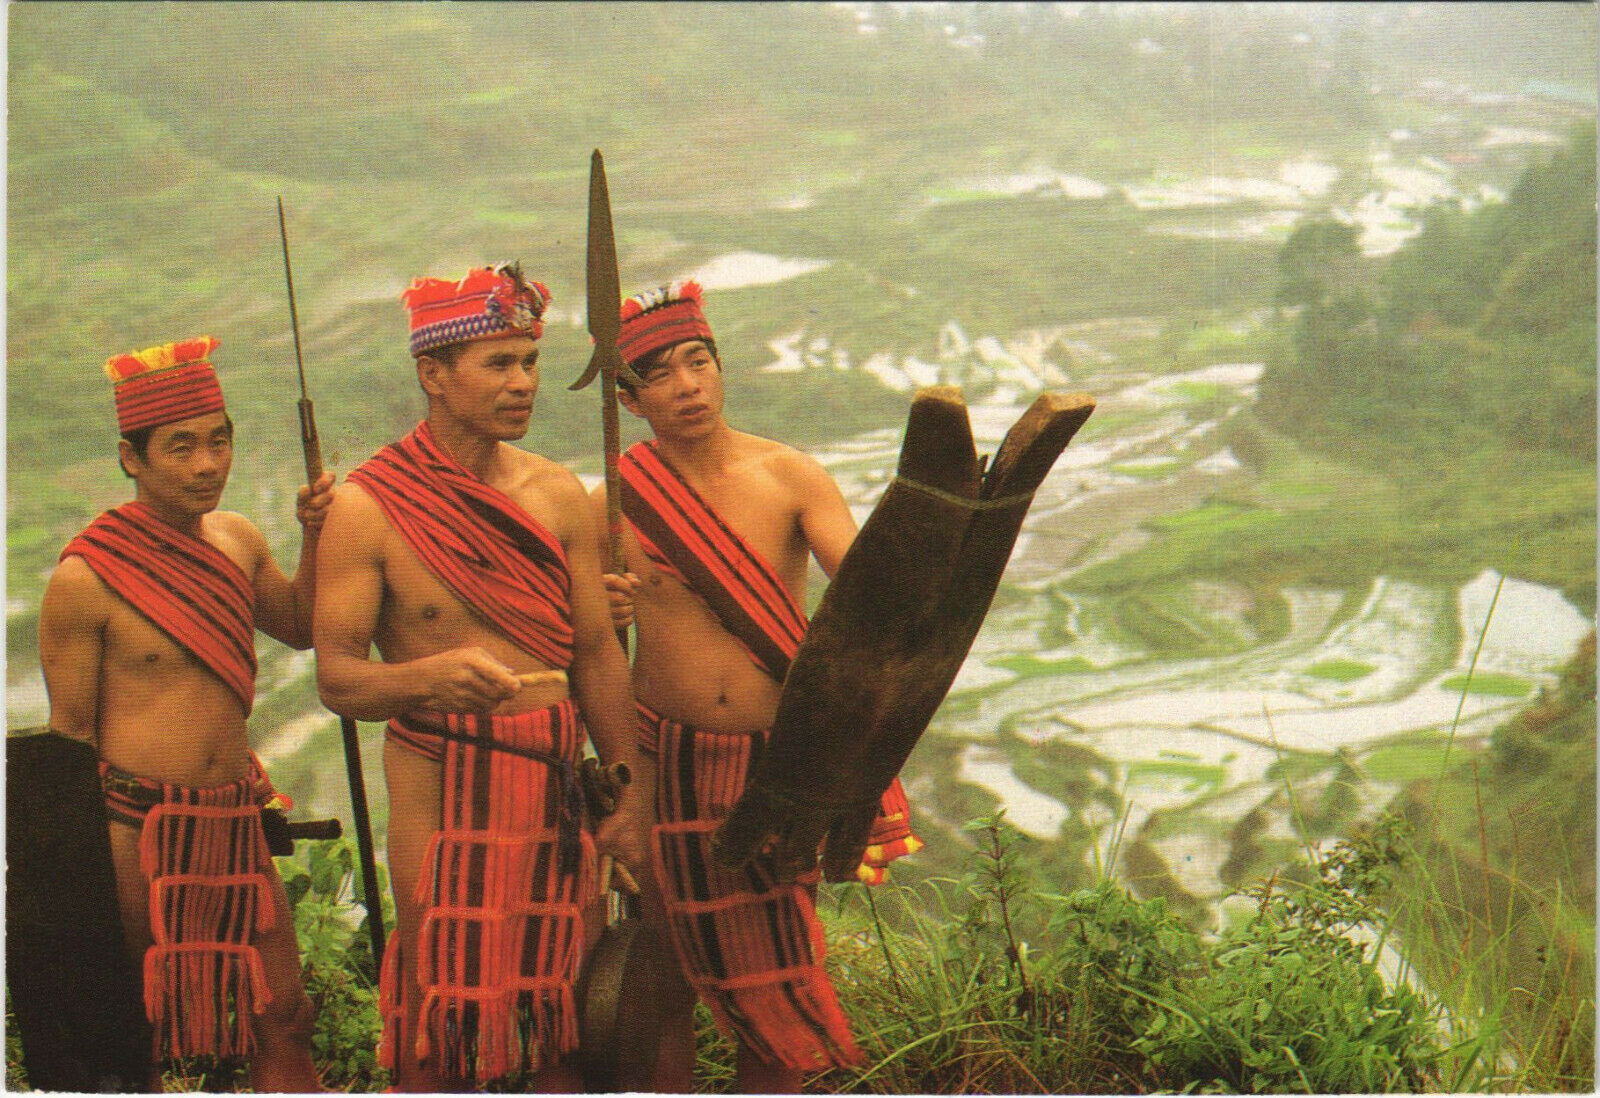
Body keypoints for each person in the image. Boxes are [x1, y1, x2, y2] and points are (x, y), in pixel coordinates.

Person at [312, 263, 650, 1092]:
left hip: (552, 774)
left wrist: (631, 792)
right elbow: (338, 680)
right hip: (439, 772)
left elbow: (598, 655)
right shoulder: (369, 507)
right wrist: (425, 679)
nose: (524, 383)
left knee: (558, 1009)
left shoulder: (559, 495)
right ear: (434, 374)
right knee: (440, 1009)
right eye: (499, 364)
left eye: (529, 361)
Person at [593, 280, 921, 1093]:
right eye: (661, 375)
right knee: (668, 969)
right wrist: (602, 606)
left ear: (720, 366)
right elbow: (584, 646)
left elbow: (874, 596)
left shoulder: (790, 476)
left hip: (778, 767)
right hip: (665, 755)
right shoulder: (611, 504)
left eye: (698, 362)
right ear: (631, 403)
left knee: (775, 974)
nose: (688, 386)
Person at [39, 335, 333, 1092]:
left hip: (234, 820)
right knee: (129, 1026)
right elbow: (69, 742)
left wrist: (313, 534)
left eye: (219, 441)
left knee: (285, 1015)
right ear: (131, 459)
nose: (208, 465)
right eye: (181, 448)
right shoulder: (85, 578)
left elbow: (300, 624)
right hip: (135, 830)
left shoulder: (236, 541)